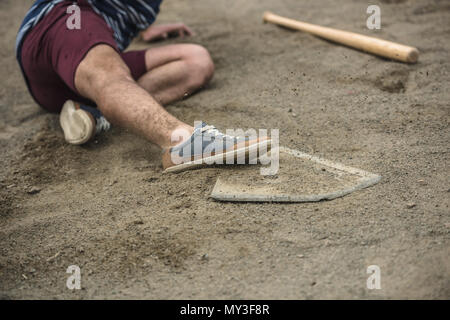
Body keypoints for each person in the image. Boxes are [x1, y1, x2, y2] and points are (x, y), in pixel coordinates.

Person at [16, 0, 270, 172]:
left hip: (75, 76)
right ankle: (180, 141)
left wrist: (143, 26)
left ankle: (94, 114)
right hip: (65, 18)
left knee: (196, 61)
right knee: (110, 77)